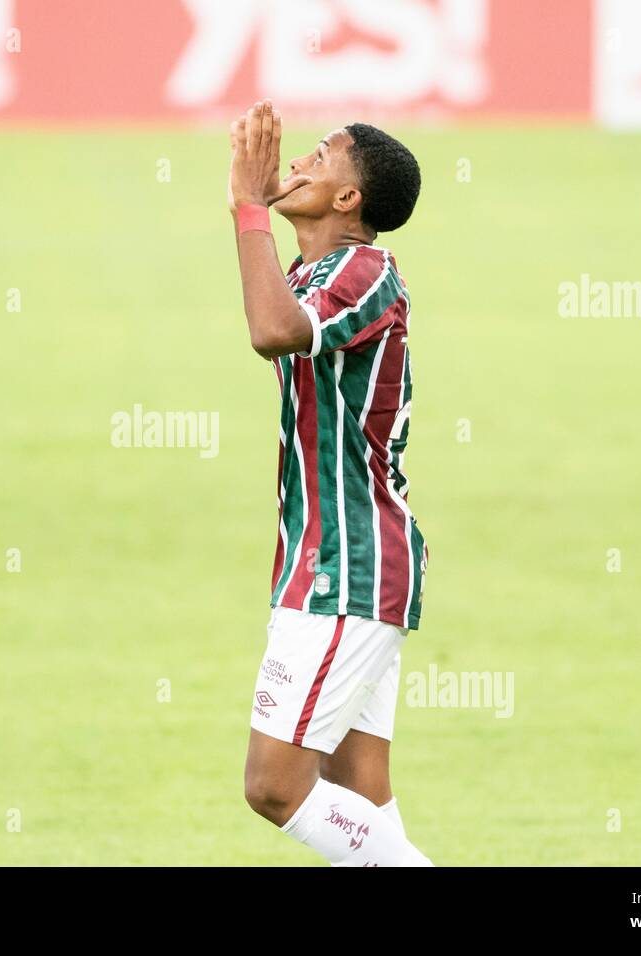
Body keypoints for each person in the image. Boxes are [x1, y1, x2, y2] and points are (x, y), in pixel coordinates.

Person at [229, 100, 432, 866]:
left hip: (344, 570)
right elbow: (277, 314)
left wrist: (250, 206)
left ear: (350, 199)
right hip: (337, 565)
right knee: (361, 799)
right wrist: (251, 212)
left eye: (320, 156)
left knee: (275, 786)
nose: (301, 162)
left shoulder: (366, 269)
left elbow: (272, 332)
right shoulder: (313, 272)